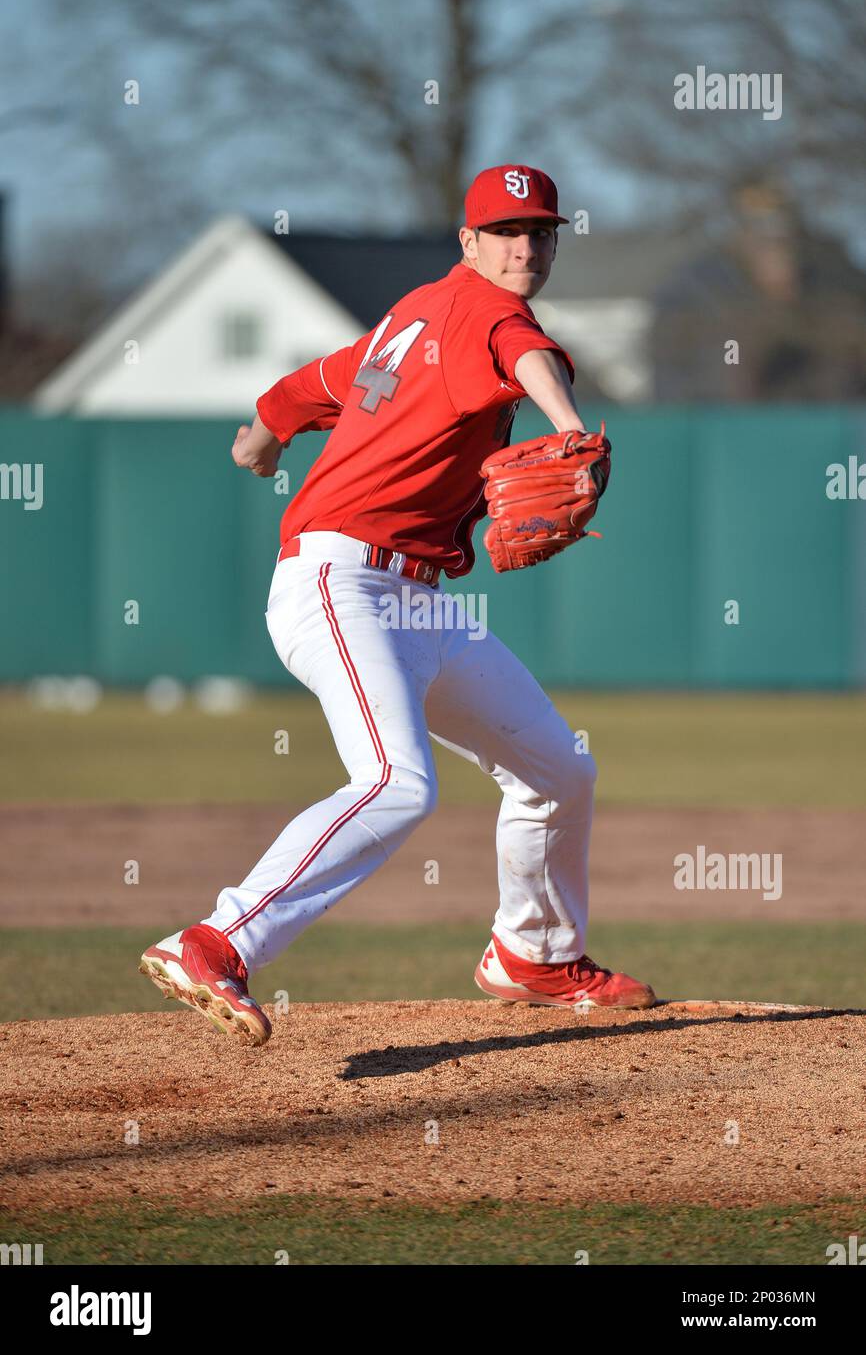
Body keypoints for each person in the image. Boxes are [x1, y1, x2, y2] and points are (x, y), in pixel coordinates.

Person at [140, 164, 655, 1045]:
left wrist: (261, 438)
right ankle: (216, 939)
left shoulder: (407, 320)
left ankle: (531, 953)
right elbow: (520, 349)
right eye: (503, 231)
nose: (523, 248)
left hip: (416, 600)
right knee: (395, 783)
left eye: (539, 233)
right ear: (469, 242)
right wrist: (568, 426)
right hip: (341, 583)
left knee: (558, 770)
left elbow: (314, 384)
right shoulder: (486, 312)